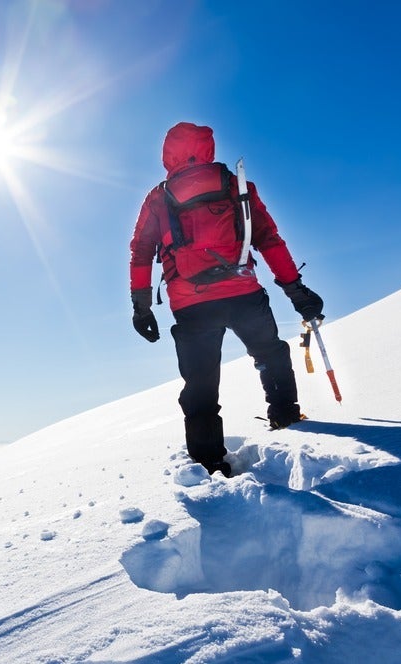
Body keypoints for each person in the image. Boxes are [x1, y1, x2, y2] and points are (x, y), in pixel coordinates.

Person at [128, 122, 324, 477]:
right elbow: (269, 239)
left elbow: (141, 252)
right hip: (242, 291)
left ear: (167, 153)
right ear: (208, 147)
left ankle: (208, 465)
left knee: (201, 383)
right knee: (270, 354)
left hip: (190, 303)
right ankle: (285, 418)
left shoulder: (159, 197)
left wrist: (141, 306)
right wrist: (295, 289)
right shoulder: (236, 185)